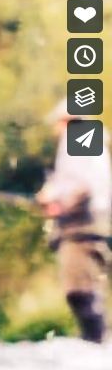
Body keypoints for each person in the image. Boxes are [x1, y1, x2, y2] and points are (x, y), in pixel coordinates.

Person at [35, 98, 111, 344]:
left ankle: (98, 345)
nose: (57, 129)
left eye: (60, 122)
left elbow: (82, 188)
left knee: (81, 293)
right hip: (91, 227)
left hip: (81, 228)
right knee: (84, 292)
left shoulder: (78, 140)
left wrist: (57, 203)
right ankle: (98, 344)